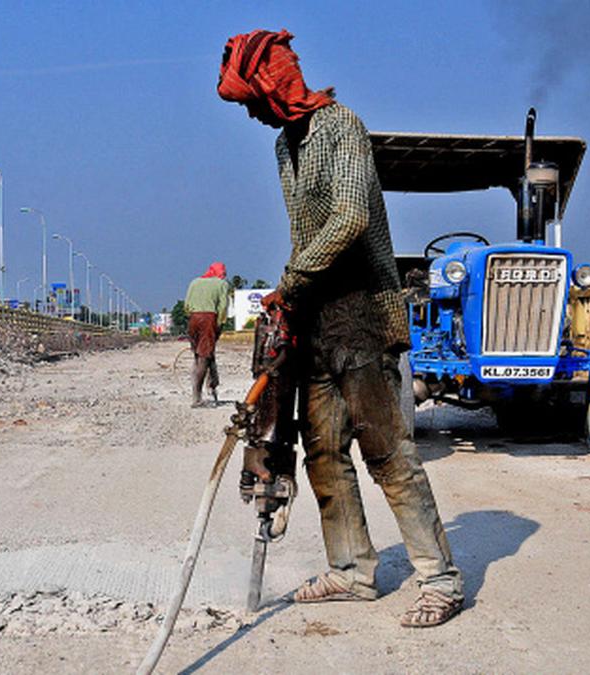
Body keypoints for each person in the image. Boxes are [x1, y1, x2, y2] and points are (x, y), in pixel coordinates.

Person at [217, 29, 463, 627]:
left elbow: (350, 218)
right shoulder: (284, 145)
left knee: (386, 450)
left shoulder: (341, 126)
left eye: (252, 99)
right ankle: (352, 570)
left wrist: (292, 279)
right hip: (317, 320)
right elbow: (307, 237)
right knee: (322, 451)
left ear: (272, 83)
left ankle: (441, 578)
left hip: (361, 313)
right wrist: (292, 302)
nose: (250, 113)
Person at [184, 261, 230, 407]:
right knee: (205, 357)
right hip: (208, 319)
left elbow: (186, 306)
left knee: (198, 356)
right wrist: (219, 324)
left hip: (193, 319)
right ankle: (196, 399)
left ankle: (198, 391)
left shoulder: (195, 282)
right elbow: (223, 307)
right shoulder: (222, 284)